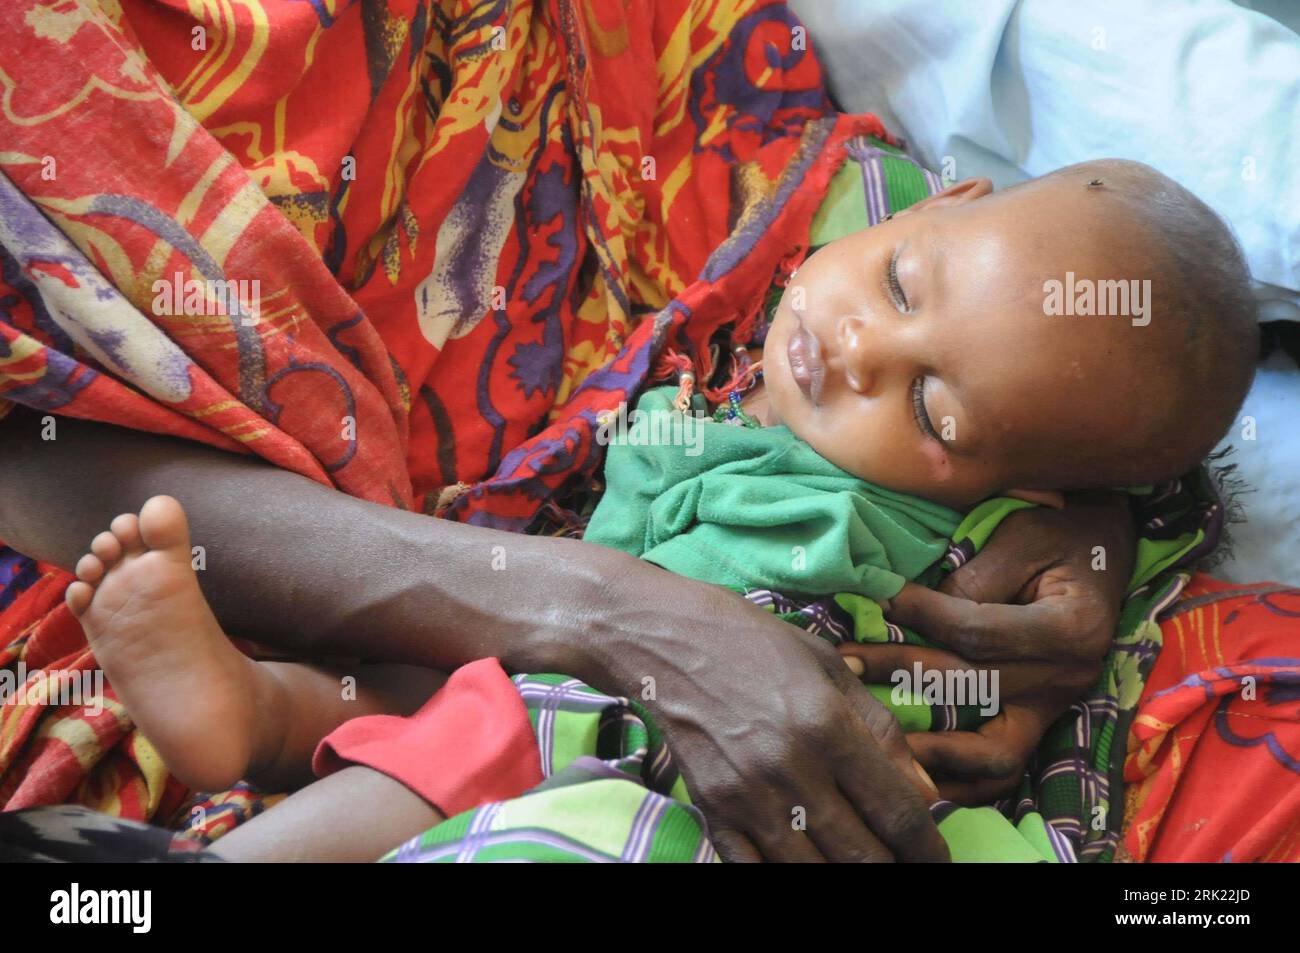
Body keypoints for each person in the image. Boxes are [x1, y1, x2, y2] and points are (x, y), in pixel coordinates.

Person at [52, 159, 1258, 861]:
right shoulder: (856, 212)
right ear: (942, 198)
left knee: (524, 754)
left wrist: (1096, 533)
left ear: (1032, 484)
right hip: (551, 646)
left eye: (935, 409)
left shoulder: (999, 518)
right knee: (462, 703)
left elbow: (1162, 506)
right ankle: (260, 715)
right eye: (896, 284)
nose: (855, 350)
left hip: (743, 764)